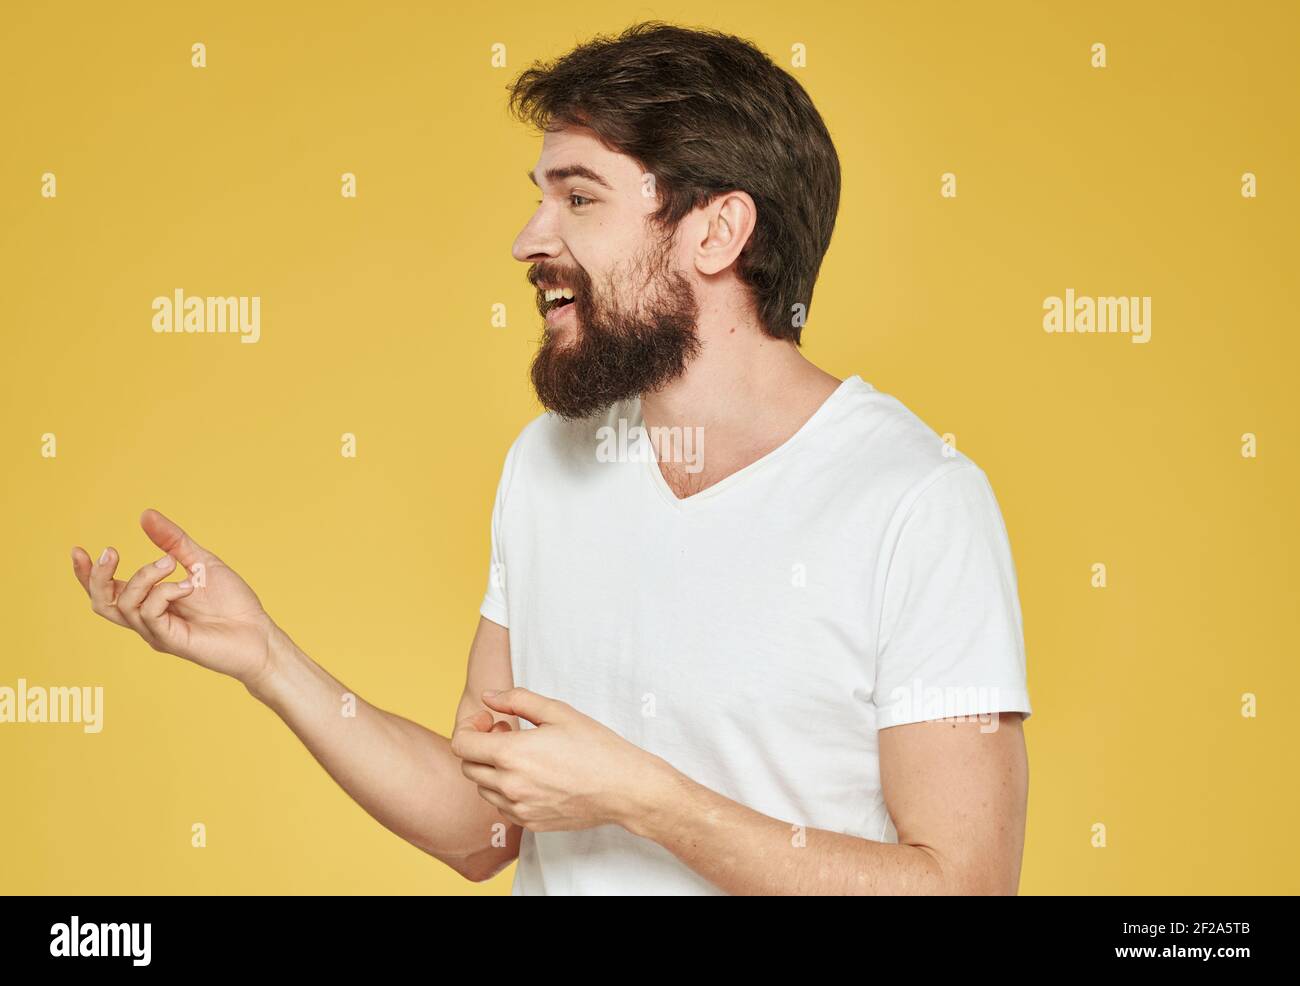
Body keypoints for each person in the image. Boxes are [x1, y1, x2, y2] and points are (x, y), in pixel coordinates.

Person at [70, 22, 1032, 895]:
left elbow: (965, 888)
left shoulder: (914, 499)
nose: (531, 241)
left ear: (716, 231)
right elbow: (483, 824)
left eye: (580, 197)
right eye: (540, 199)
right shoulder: (549, 463)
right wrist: (269, 660)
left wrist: (645, 798)